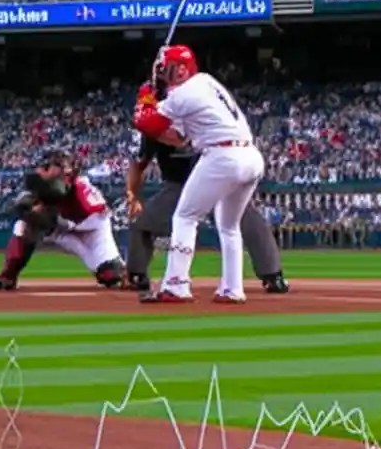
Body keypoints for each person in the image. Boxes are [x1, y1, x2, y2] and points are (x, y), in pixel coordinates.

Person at [123, 79, 289, 295]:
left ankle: (272, 274)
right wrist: (131, 193)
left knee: (245, 220)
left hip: (214, 176)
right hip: (181, 186)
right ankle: (137, 274)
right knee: (143, 223)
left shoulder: (199, 110)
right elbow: (138, 163)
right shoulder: (162, 123)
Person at [131, 45, 266, 304]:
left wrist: (145, 99)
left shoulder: (185, 92)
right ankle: (232, 288)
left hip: (222, 156)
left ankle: (176, 285)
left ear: (181, 70)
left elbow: (147, 123)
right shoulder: (206, 82)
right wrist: (156, 103)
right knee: (228, 226)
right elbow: (178, 138)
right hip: (250, 157)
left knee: (185, 216)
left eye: (165, 69)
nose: (161, 74)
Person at [0, 150, 129, 291]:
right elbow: (28, 204)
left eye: (49, 166)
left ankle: (129, 274)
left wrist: (51, 215)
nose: (41, 170)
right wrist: (35, 211)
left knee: (111, 274)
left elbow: (94, 214)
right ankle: (8, 276)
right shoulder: (44, 185)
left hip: (90, 230)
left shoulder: (81, 189)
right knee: (23, 226)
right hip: (59, 227)